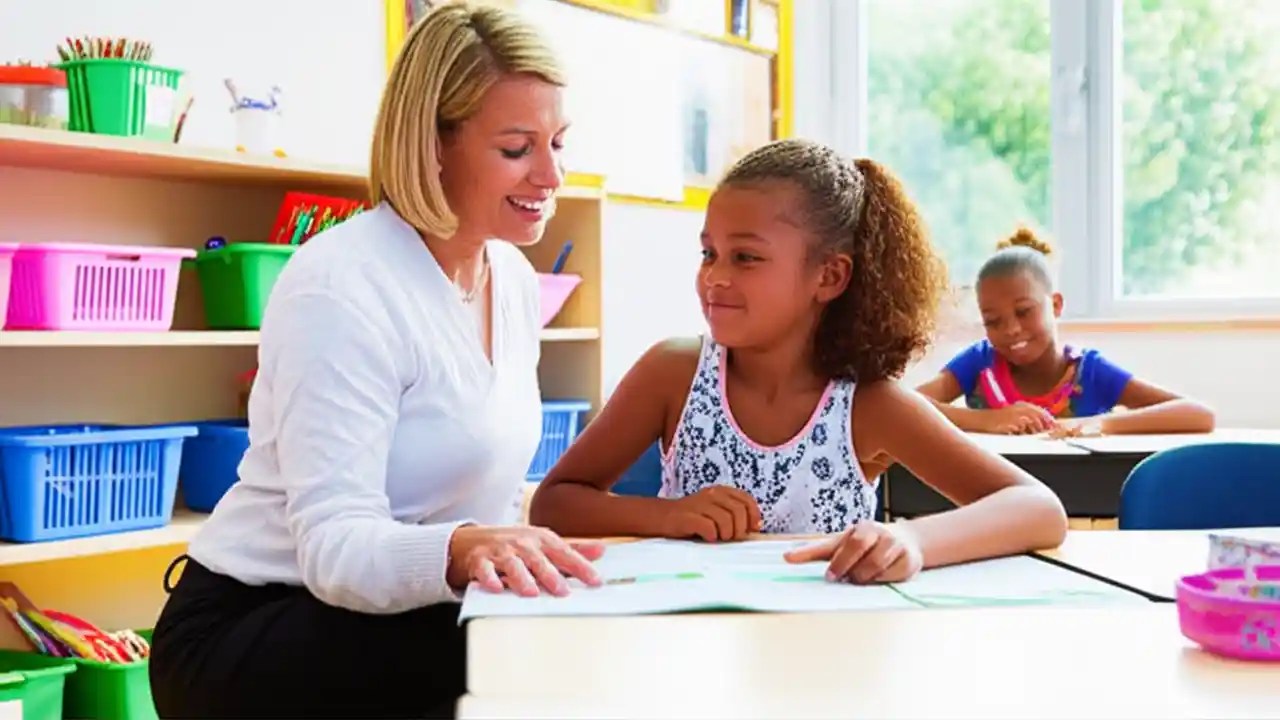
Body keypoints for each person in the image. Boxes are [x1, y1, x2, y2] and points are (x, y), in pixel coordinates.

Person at [147, 4, 605, 718]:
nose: (552, 173)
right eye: (517, 148)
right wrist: (459, 552)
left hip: (396, 619)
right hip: (251, 627)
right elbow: (334, 550)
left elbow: (483, 507)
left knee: (557, 633)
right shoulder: (341, 283)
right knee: (507, 660)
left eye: (560, 141)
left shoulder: (512, 280)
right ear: (433, 147)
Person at [529, 138, 1068, 584]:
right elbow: (553, 503)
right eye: (708, 252)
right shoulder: (672, 372)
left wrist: (912, 539)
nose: (715, 276)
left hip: (821, 655)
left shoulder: (868, 404)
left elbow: (1038, 509)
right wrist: (666, 516)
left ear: (829, 277)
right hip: (691, 647)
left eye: (746, 258)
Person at [915, 228, 1216, 437]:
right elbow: (908, 406)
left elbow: (1199, 414)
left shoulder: (1090, 372)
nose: (1011, 330)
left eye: (1024, 312)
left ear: (1056, 305)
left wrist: (1102, 425)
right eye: (993, 321)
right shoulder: (979, 363)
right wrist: (986, 420)